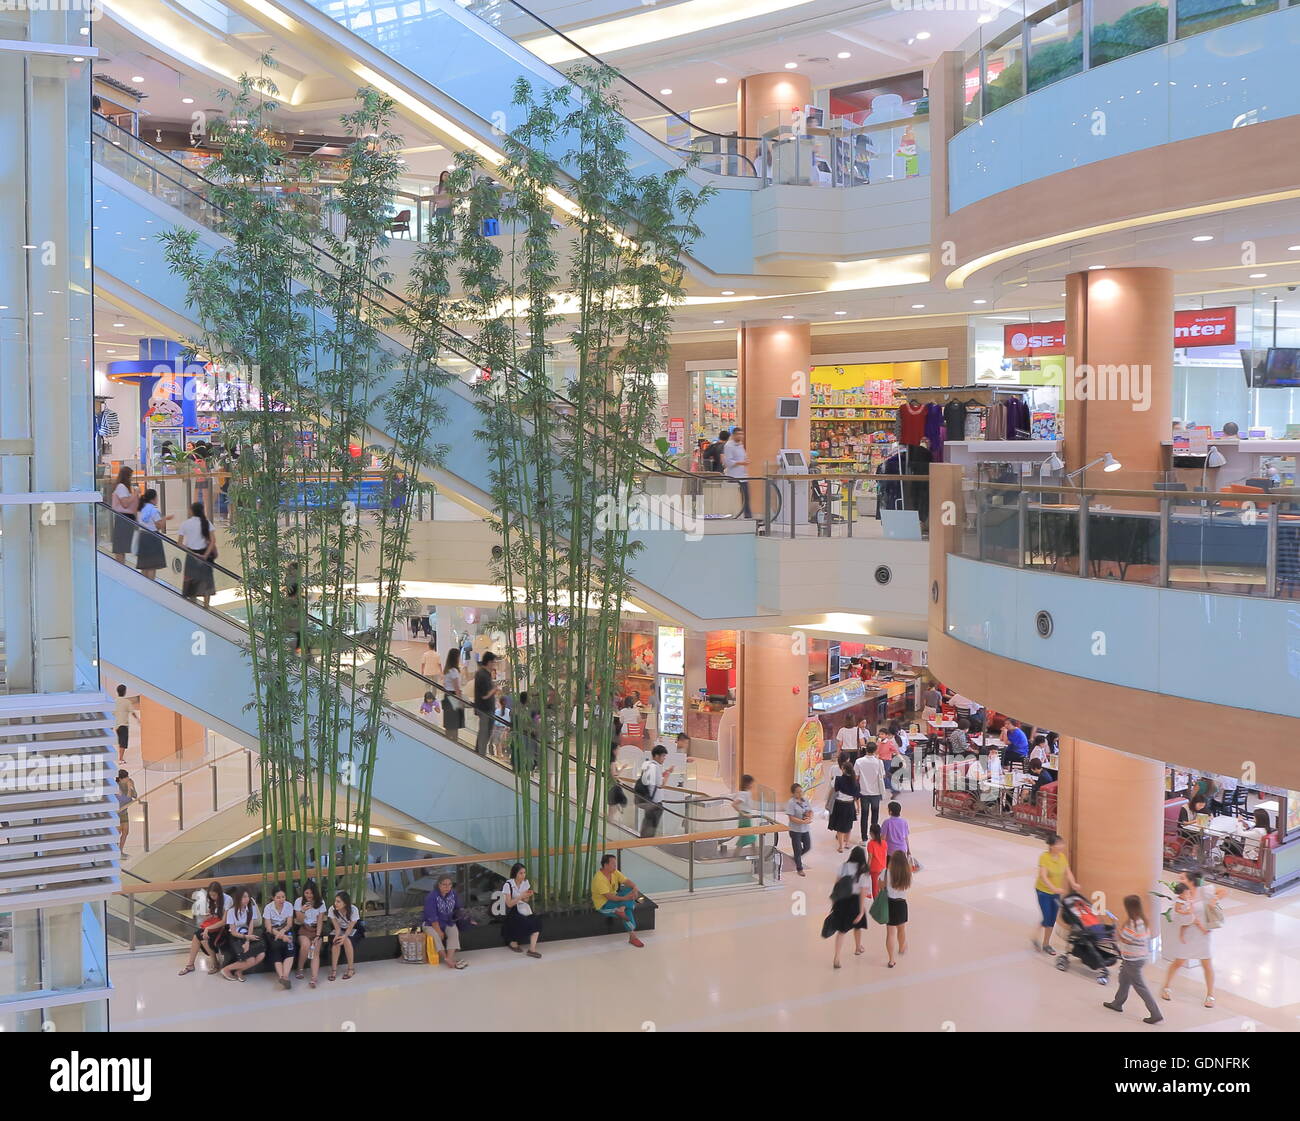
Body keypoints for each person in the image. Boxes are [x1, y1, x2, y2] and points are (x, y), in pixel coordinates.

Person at [1161, 870, 1224, 1007]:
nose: (1179, 879)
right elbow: (1177, 914)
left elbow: (1223, 891)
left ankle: (1210, 995)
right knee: (1178, 961)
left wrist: (1214, 900)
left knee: (1207, 965)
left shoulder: (1204, 891)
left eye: (1182, 878)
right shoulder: (1181, 896)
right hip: (1188, 933)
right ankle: (1166, 987)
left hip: (1203, 934)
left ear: (1190, 880)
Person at [1104, 895, 1163, 1024]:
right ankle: (1117, 1003)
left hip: (1133, 959)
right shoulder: (1143, 921)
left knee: (1140, 986)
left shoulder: (1133, 924)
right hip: (1138, 957)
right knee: (1124, 979)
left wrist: (1115, 925)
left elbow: (1123, 939)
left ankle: (1155, 1013)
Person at [821, 845, 871, 969]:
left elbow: (837, 885)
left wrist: (834, 902)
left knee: (841, 931)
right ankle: (858, 947)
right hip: (854, 902)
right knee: (857, 926)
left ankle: (837, 957)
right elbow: (863, 892)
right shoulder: (863, 871)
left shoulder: (843, 867)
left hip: (842, 900)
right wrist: (860, 911)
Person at [1033, 833, 1080, 955]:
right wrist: (1053, 888)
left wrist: (1073, 883)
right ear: (1052, 846)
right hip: (1043, 892)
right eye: (1059, 844)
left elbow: (1067, 872)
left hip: (1055, 893)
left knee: (1052, 918)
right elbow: (1043, 876)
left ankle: (1046, 943)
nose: (1062, 846)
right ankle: (1037, 938)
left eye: (1062, 843)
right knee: (1047, 917)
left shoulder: (1062, 857)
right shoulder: (1044, 857)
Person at [178, 880, 231, 976]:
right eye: (211, 895)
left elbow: (224, 921)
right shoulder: (212, 900)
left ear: (219, 893)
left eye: (214, 895)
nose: (212, 897)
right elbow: (214, 915)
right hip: (214, 926)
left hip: (224, 928)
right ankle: (191, 964)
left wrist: (207, 929)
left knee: (200, 935)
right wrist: (209, 916)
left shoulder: (227, 899)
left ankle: (214, 963)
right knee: (198, 935)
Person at [591, 853, 644, 947]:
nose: (615, 866)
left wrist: (635, 887)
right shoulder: (599, 879)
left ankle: (622, 908)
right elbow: (609, 897)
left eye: (615, 864)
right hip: (604, 905)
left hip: (616, 899)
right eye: (613, 864)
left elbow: (626, 881)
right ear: (605, 865)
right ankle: (633, 937)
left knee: (629, 890)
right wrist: (625, 898)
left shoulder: (614, 872)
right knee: (628, 910)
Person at [423, 874, 469, 969]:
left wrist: (468, 918)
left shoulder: (453, 894)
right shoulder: (431, 897)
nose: (447, 887)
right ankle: (445, 958)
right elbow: (432, 917)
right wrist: (439, 931)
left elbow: (458, 908)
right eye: (444, 884)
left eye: (449, 884)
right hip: (431, 924)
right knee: (435, 936)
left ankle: (449, 957)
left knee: (454, 931)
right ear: (439, 885)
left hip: (447, 921)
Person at [176, 501, 217, 606]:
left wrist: (191, 552)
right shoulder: (206, 523)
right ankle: (206, 607)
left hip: (191, 555)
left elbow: (179, 543)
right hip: (205, 556)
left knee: (191, 582)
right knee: (206, 582)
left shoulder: (185, 524)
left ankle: (193, 607)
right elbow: (213, 541)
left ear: (192, 511)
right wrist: (205, 555)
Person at [220, 887, 264, 982]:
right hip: (236, 937)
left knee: (261, 955)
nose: (247, 899)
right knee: (251, 960)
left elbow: (251, 926)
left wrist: (248, 941)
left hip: (248, 935)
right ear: (238, 898)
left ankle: (238, 971)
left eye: (248, 897)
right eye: (244, 897)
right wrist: (246, 937)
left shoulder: (251, 908)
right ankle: (226, 969)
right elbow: (234, 932)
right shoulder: (231, 911)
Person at [501, 862, 543, 958]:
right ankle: (512, 941)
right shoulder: (508, 885)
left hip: (522, 908)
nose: (523, 875)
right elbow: (509, 904)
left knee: (536, 922)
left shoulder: (525, 883)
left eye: (524, 873)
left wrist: (527, 896)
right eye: (521, 873)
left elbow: (526, 900)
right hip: (512, 910)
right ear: (515, 873)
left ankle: (532, 950)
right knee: (522, 921)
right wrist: (521, 896)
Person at [882, 848, 912, 967]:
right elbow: (921, 867)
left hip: (889, 904)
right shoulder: (908, 875)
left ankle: (891, 959)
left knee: (890, 933)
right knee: (901, 929)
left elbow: (880, 886)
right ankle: (902, 947)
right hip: (901, 904)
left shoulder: (885, 872)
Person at [263, 885, 297, 990]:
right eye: (278, 897)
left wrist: (282, 932)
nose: (281, 899)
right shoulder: (268, 908)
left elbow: (289, 924)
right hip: (273, 931)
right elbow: (268, 927)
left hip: (285, 930)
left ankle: (284, 977)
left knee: (290, 948)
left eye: (283, 897)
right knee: (275, 948)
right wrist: (281, 936)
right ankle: (282, 977)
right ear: (273, 898)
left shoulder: (289, 906)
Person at [635, 744, 673, 839]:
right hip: (654, 802)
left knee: (647, 823)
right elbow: (661, 784)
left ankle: (643, 840)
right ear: (656, 756)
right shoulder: (655, 767)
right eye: (663, 756)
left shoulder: (648, 765)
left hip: (647, 800)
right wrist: (668, 773)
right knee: (651, 826)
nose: (664, 759)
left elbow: (654, 781)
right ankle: (648, 843)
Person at [294, 882, 327, 988]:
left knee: (315, 950)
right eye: (307, 893)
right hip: (304, 928)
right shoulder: (299, 901)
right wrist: (303, 910)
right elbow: (299, 920)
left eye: (311, 893)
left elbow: (320, 921)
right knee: (305, 945)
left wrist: (317, 936)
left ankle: (314, 978)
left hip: (316, 929)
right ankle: (300, 968)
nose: (309, 895)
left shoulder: (320, 902)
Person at [134, 489, 169, 580]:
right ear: (153, 499)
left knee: (144, 566)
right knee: (152, 566)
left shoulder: (140, 509)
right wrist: (165, 519)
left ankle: (144, 588)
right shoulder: (153, 510)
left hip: (142, 537)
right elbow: (159, 526)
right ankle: (151, 587)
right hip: (152, 538)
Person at [854, 742, 886, 840]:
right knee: (875, 816)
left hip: (864, 792)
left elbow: (856, 776)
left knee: (864, 816)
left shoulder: (859, 761)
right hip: (876, 792)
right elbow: (883, 775)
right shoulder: (879, 762)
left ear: (866, 749)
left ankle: (864, 838)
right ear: (875, 750)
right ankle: (875, 836)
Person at [827, 757, 859, 853]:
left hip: (839, 805)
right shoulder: (855, 782)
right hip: (850, 805)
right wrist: (858, 807)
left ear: (844, 770)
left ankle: (841, 846)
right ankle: (847, 843)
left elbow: (832, 787)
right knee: (848, 825)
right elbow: (856, 796)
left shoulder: (838, 779)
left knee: (839, 827)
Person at [328, 890, 361, 981]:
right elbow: (337, 928)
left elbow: (350, 927)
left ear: (345, 903)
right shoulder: (332, 909)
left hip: (353, 929)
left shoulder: (354, 910)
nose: (336, 904)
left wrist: (344, 937)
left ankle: (351, 969)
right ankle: (334, 970)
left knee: (346, 941)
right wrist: (337, 935)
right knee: (336, 942)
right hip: (340, 929)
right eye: (335, 901)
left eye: (338, 902)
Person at [109, 465, 138, 562]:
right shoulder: (121, 487)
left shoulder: (123, 488)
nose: (131, 479)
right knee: (120, 547)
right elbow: (125, 503)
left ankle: (121, 566)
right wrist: (135, 494)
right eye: (131, 476)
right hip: (123, 518)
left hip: (125, 519)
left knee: (122, 547)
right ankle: (120, 567)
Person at [721, 426, 751, 518]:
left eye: (742, 434)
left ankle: (748, 516)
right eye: (738, 434)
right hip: (733, 477)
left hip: (743, 476)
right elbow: (728, 462)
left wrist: (745, 460)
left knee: (746, 497)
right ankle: (732, 516)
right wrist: (741, 463)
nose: (741, 436)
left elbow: (743, 457)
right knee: (733, 499)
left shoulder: (741, 445)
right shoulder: (729, 446)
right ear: (733, 435)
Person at [472, 650, 498, 755]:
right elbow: (484, 695)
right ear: (489, 662)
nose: (494, 664)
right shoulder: (483, 675)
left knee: (484, 733)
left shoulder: (484, 674)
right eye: (494, 662)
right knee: (484, 733)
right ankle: (480, 754)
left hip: (486, 709)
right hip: (485, 710)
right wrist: (494, 690)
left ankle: (480, 753)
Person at [785, 783, 813, 876]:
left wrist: (809, 818)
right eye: (798, 792)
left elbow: (810, 811)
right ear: (793, 793)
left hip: (805, 829)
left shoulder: (805, 800)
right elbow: (791, 818)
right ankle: (799, 868)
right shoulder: (791, 803)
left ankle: (796, 858)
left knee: (807, 847)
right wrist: (802, 822)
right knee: (797, 850)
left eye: (801, 791)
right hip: (795, 830)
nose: (800, 794)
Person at [730, 773, 758, 858]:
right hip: (745, 818)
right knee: (747, 838)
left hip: (745, 817)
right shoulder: (744, 794)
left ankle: (756, 856)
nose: (752, 785)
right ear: (747, 783)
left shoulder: (745, 793)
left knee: (751, 838)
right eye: (751, 783)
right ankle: (735, 857)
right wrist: (743, 814)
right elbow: (734, 804)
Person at [441, 647, 463, 737]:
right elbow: (456, 688)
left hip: (447, 696)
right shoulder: (453, 671)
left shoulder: (447, 670)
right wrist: (461, 701)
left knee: (449, 724)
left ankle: (448, 743)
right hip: (453, 697)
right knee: (454, 724)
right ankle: (454, 743)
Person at [116, 769, 137, 854]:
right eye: (125, 777)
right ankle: (115, 851)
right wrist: (129, 788)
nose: (128, 778)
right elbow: (126, 800)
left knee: (126, 831)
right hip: (117, 813)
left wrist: (132, 786)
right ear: (120, 779)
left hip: (124, 812)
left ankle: (120, 850)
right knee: (117, 832)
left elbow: (135, 795)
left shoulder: (128, 783)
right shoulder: (116, 787)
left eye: (127, 776)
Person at [866, 823, 888, 898]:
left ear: (871, 833)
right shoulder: (884, 843)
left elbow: (870, 858)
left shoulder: (870, 844)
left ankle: (876, 905)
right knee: (881, 887)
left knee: (874, 889)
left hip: (874, 869)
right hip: (883, 867)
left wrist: (867, 869)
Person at [113, 683, 132, 763]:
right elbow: (132, 711)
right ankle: (121, 759)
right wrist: (138, 719)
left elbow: (112, 713)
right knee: (123, 742)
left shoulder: (114, 701)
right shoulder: (126, 701)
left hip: (117, 725)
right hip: (124, 725)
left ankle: (120, 757)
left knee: (120, 741)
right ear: (124, 692)